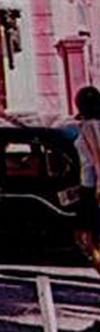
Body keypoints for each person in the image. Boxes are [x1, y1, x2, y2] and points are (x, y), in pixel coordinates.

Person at [75, 86, 100, 269]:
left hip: (90, 184)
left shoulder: (88, 126)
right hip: (92, 182)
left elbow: (96, 156)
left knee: (91, 234)